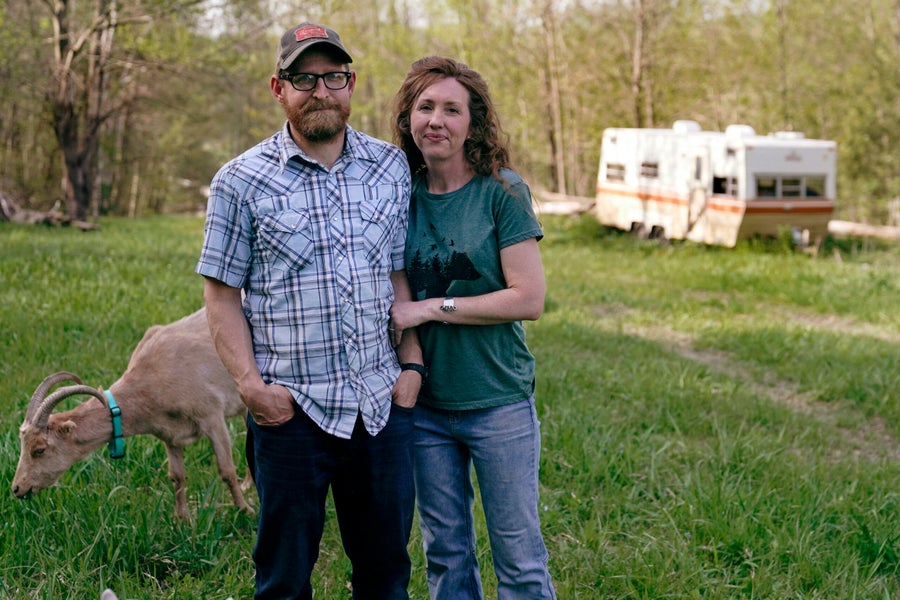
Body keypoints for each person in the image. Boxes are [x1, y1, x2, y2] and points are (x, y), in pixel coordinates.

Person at [196, 22, 424, 600]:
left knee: (386, 577)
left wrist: (412, 369)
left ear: (352, 84)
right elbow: (221, 295)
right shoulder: (239, 181)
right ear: (279, 88)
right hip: (290, 411)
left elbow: (399, 274)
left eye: (334, 77)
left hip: (379, 406)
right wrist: (251, 388)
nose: (320, 90)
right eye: (304, 78)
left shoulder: (389, 169)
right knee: (283, 581)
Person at [390, 56, 556, 599]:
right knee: (446, 558)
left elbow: (528, 299)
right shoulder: (398, 196)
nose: (436, 120)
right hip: (428, 409)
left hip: (497, 401)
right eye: (425, 107)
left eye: (451, 109)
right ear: (408, 119)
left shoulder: (501, 192)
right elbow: (394, 287)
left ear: (472, 122)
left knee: (520, 558)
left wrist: (431, 308)